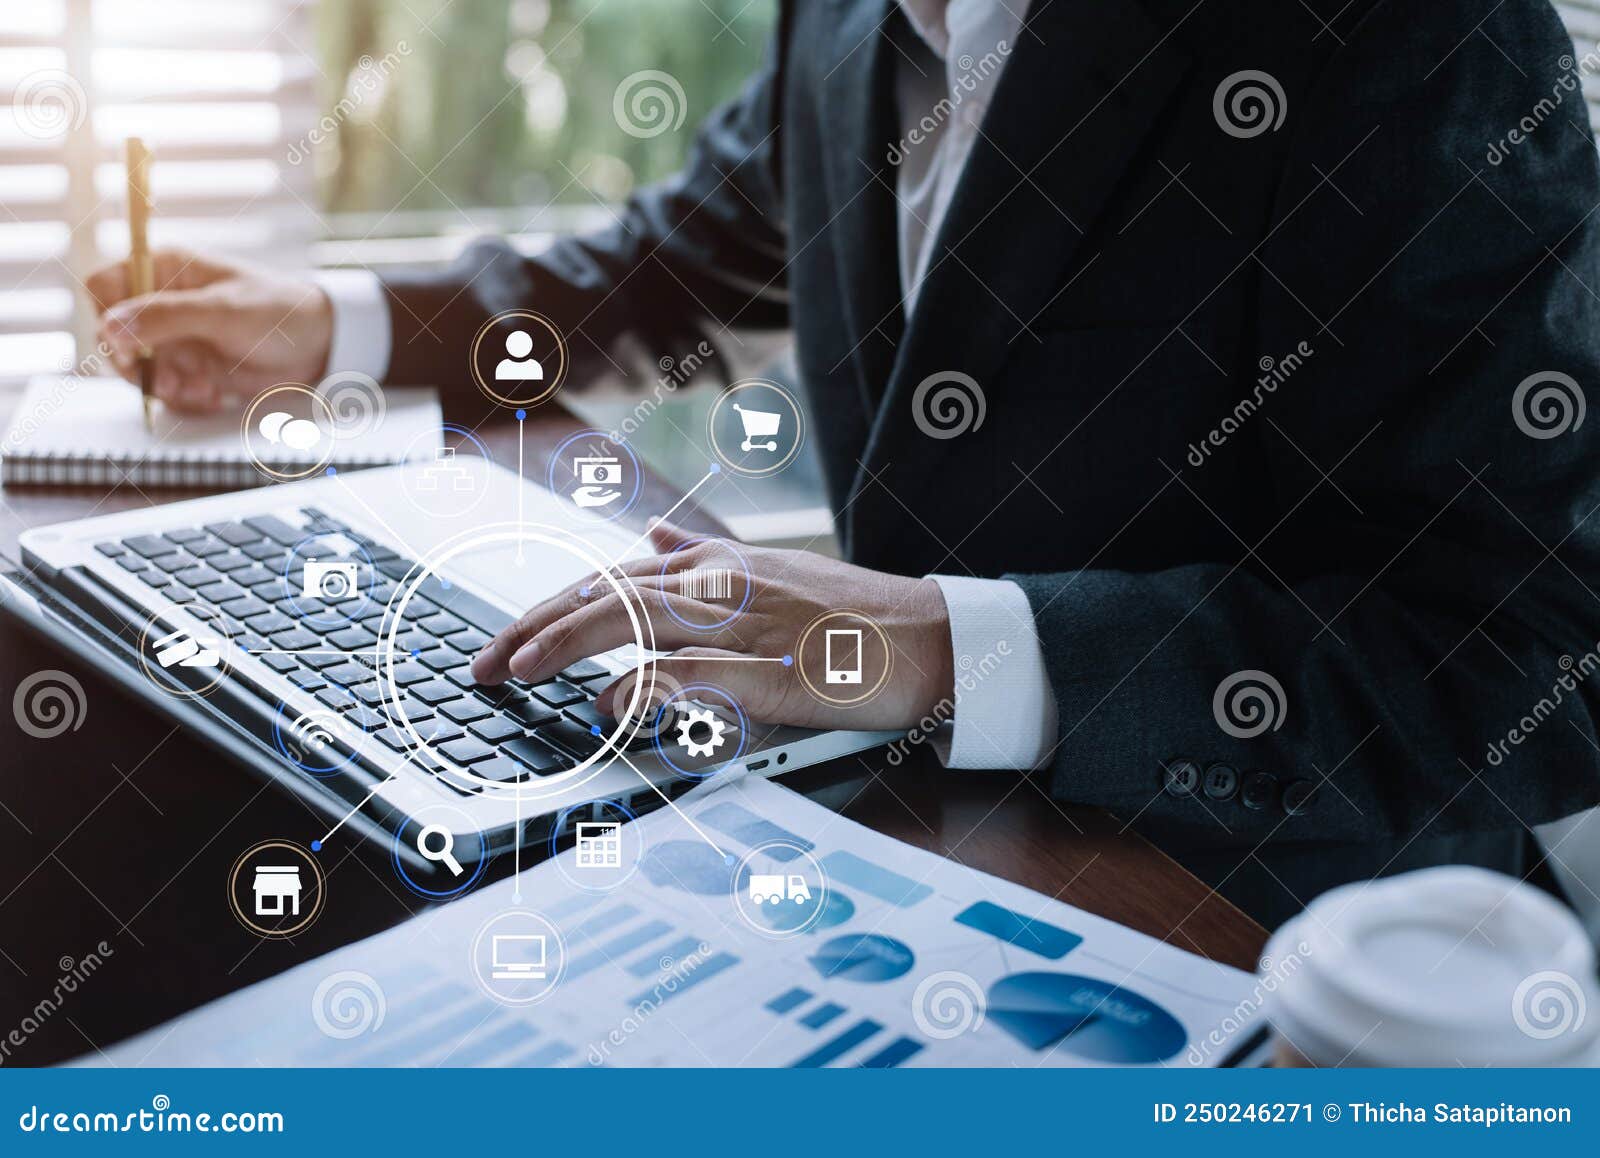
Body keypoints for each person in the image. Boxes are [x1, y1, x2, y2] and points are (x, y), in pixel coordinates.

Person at [86, 0, 1600, 924]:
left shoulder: (1416, 28)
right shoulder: (853, 13)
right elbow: (668, 263)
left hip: (1281, 935)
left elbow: (1538, 647)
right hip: (906, 850)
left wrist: (948, 643)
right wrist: (337, 322)